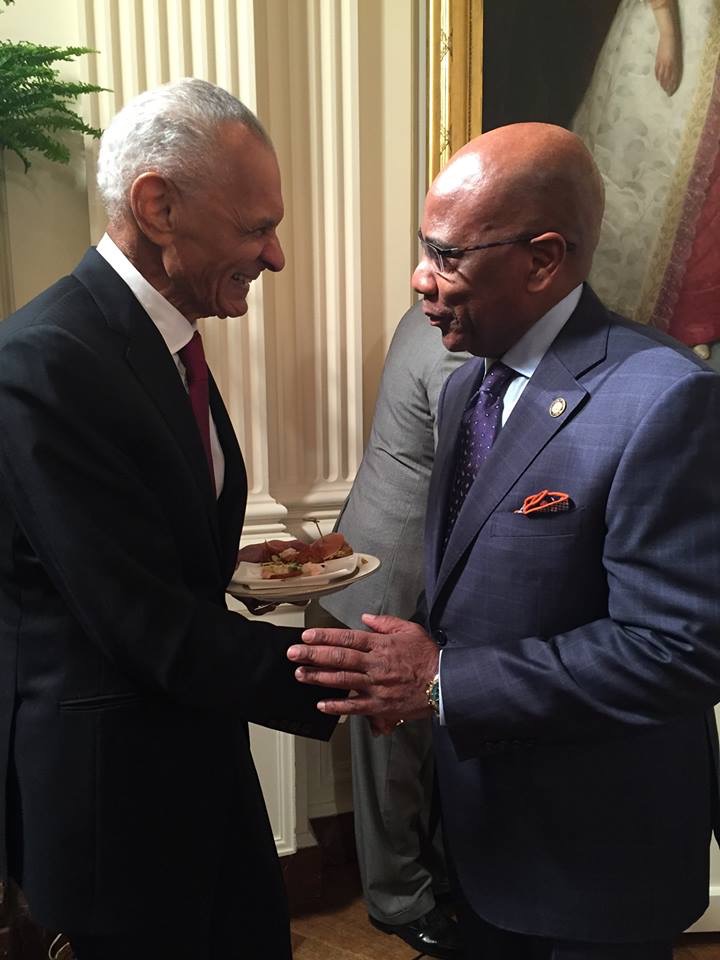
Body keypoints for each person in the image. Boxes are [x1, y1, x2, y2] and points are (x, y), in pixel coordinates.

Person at [288, 122, 720, 960]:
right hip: (482, 848)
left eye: (448, 255)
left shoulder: (665, 399)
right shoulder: (467, 392)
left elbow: (680, 649)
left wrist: (447, 678)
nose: (421, 278)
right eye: (425, 247)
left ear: (544, 259)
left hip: (594, 869)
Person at [0, 78, 339, 960]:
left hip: (194, 758)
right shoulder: (46, 361)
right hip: (117, 811)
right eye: (256, 227)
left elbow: (156, 552)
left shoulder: (160, 336)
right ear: (158, 207)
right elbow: (138, 621)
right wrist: (348, 677)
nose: (276, 257)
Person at [308, 303, 467, 958]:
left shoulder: (426, 313)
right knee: (394, 760)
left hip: (378, 553)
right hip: (395, 575)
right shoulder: (457, 337)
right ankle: (398, 899)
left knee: (413, 755)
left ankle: (422, 875)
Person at [572, 0, 718, 329]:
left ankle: (695, 318)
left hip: (706, 31)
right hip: (668, 31)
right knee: (647, 171)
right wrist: (668, 33)